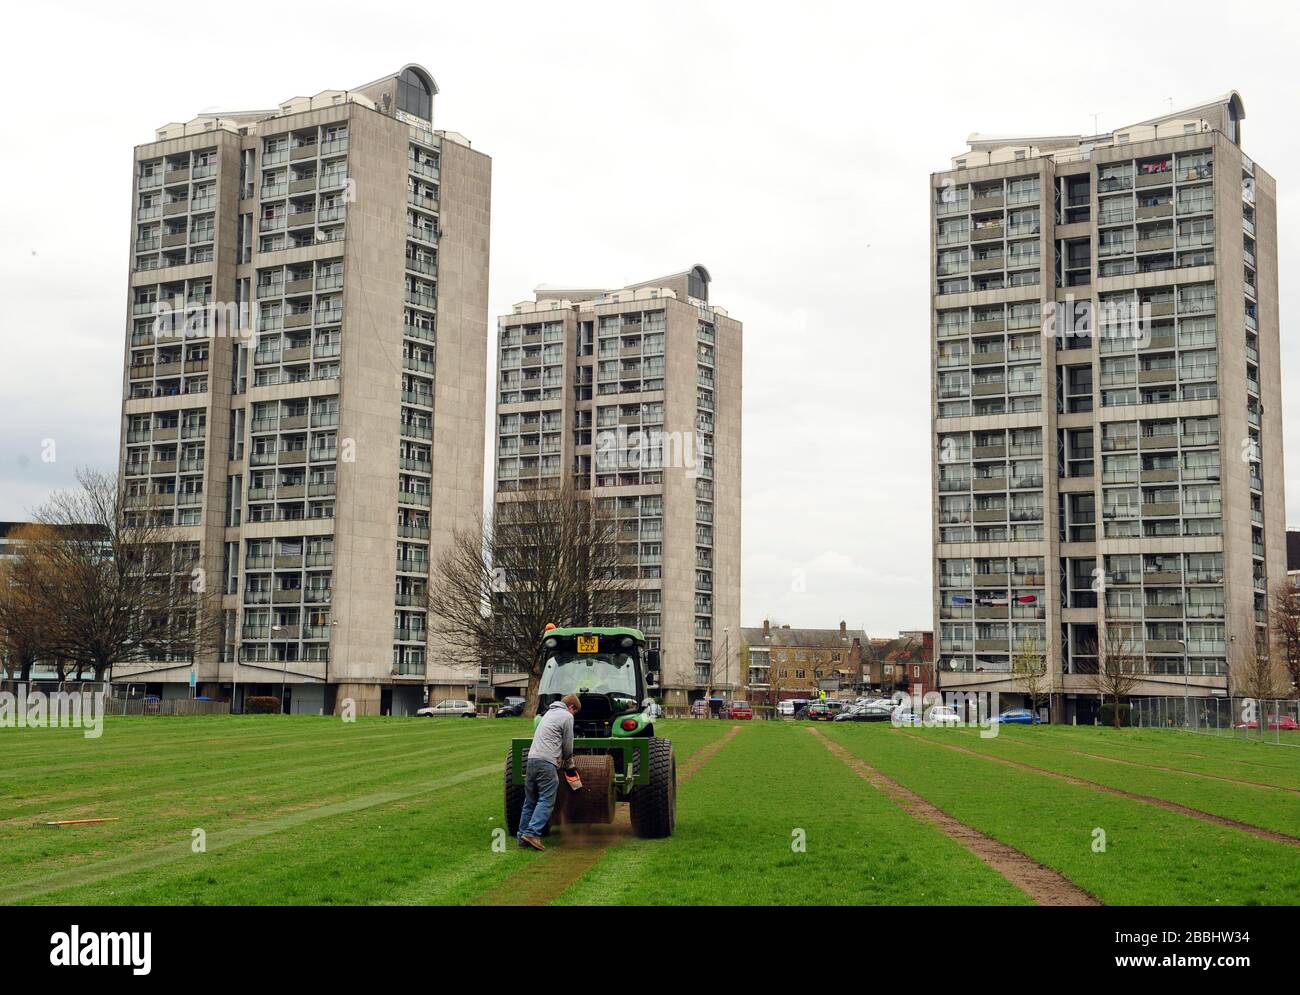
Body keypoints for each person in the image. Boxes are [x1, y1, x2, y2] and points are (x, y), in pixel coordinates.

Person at [517, 693, 581, 851]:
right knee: (546, 800)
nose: (574, 715)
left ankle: (522, 837)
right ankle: (532, 833)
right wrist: (570, 764)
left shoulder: (547, 714)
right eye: (575, 712)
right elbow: (567, 745)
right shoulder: (567, 716)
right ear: (572, 707)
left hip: (532, 760)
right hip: (547, 762)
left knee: (530, 801)